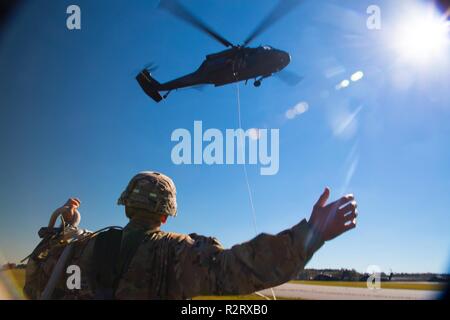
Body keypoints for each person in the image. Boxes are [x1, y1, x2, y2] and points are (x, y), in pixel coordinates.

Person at [24, 171, 358, 300]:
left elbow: (37, 281)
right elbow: (243, 268)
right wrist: (311, 234)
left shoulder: (82, 247)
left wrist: (61, 230)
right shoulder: (175, 252)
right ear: (167, 214)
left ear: (126, 205)